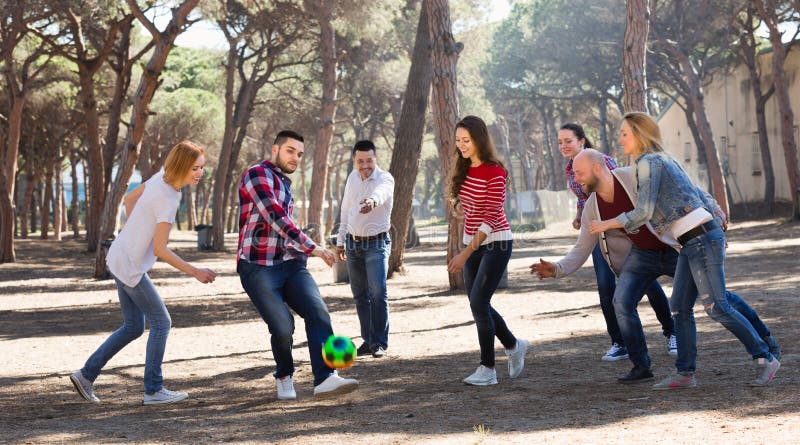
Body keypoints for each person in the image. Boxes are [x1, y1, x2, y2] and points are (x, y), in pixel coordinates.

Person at [532, 149, 780, 386]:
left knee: (719, 298)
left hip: (674, 248)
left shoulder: (632, 177)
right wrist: (556, 268)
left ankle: (766, 341)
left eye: (579, 173)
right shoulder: (591, 208)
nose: (575, 179)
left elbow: (685, 188)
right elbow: (581, 248)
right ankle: (641, 366)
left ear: (597, 169)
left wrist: (713, 209)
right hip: (643, 255)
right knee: (622, 301)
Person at [590, 113, 781, 387]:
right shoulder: (664, 159)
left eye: (624, 133)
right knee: (679, 306)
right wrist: (716, 215)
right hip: (694, 240)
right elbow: (698, 193)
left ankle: (764, 357)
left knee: (717, 307)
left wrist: (604, 224)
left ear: (640, 135)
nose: (619, 139)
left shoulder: (647, 163)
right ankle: (684, 373)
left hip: (701, 238)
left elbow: (643, 211)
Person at [70, 141, 217, 405]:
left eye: (202, 168)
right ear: (182, 166)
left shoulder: (161, 176)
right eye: (195, 168)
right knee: (162, 322)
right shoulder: (169, 199)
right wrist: (195, 271)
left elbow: (129, 199)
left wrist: (135, 233)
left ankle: (85, 375)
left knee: (133, 326)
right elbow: (160, 249)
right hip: (131, 266)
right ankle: (153, 390)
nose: (200, 173)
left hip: (118, 256)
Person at [237, 130, 358, 400]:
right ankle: (284, 373)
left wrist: (302, 253)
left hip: (290, 263)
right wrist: (313, 247)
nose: (296, 157)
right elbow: (274, 217)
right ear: (275, 149)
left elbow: (285, 228)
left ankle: (326, 377)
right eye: (290, 151)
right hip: (257, 265)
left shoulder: (285, 184)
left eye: (300, 154)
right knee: (282, 328)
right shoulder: (256, 174)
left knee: (318, 312)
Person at [559, 123, 676, 361]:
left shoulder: (600, 162)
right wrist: (580, 216)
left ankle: (671, 331)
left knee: (648, 284)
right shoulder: (570, 169)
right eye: (560, 142)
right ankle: (619, 342)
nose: (563, 146)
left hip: (625, 232)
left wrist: (615, 222)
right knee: (605, 287)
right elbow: (588, 199)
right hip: (599, 235)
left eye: (568, 141)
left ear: (581, 141)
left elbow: (618, 191)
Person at [447, 115, 530, 386]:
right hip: (473, 242)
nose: (461, 145)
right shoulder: (464, 169)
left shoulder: (495, 171)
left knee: (479, 303)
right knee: (477, 303)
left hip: (497, 242)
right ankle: (514, 345)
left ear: (479, 139)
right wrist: (461, 214)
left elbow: (492, 216)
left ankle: (487, 369)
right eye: (458, 141)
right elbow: (468, 214)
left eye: (466, 140)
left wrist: (464, 253)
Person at [335, 140, 394, 358]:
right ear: (354, 161)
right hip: (352, 243)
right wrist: (340, 241)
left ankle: (379, 342)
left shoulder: (385, 178)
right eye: (360, 161)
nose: (365, 165)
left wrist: (372, 201)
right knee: (360, 295)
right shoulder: (352, 178)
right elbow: (345, 210)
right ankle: (368, 341)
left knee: (378, 292)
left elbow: (382, 193)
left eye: (369, 160)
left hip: (376, 244)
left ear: (375, 159)